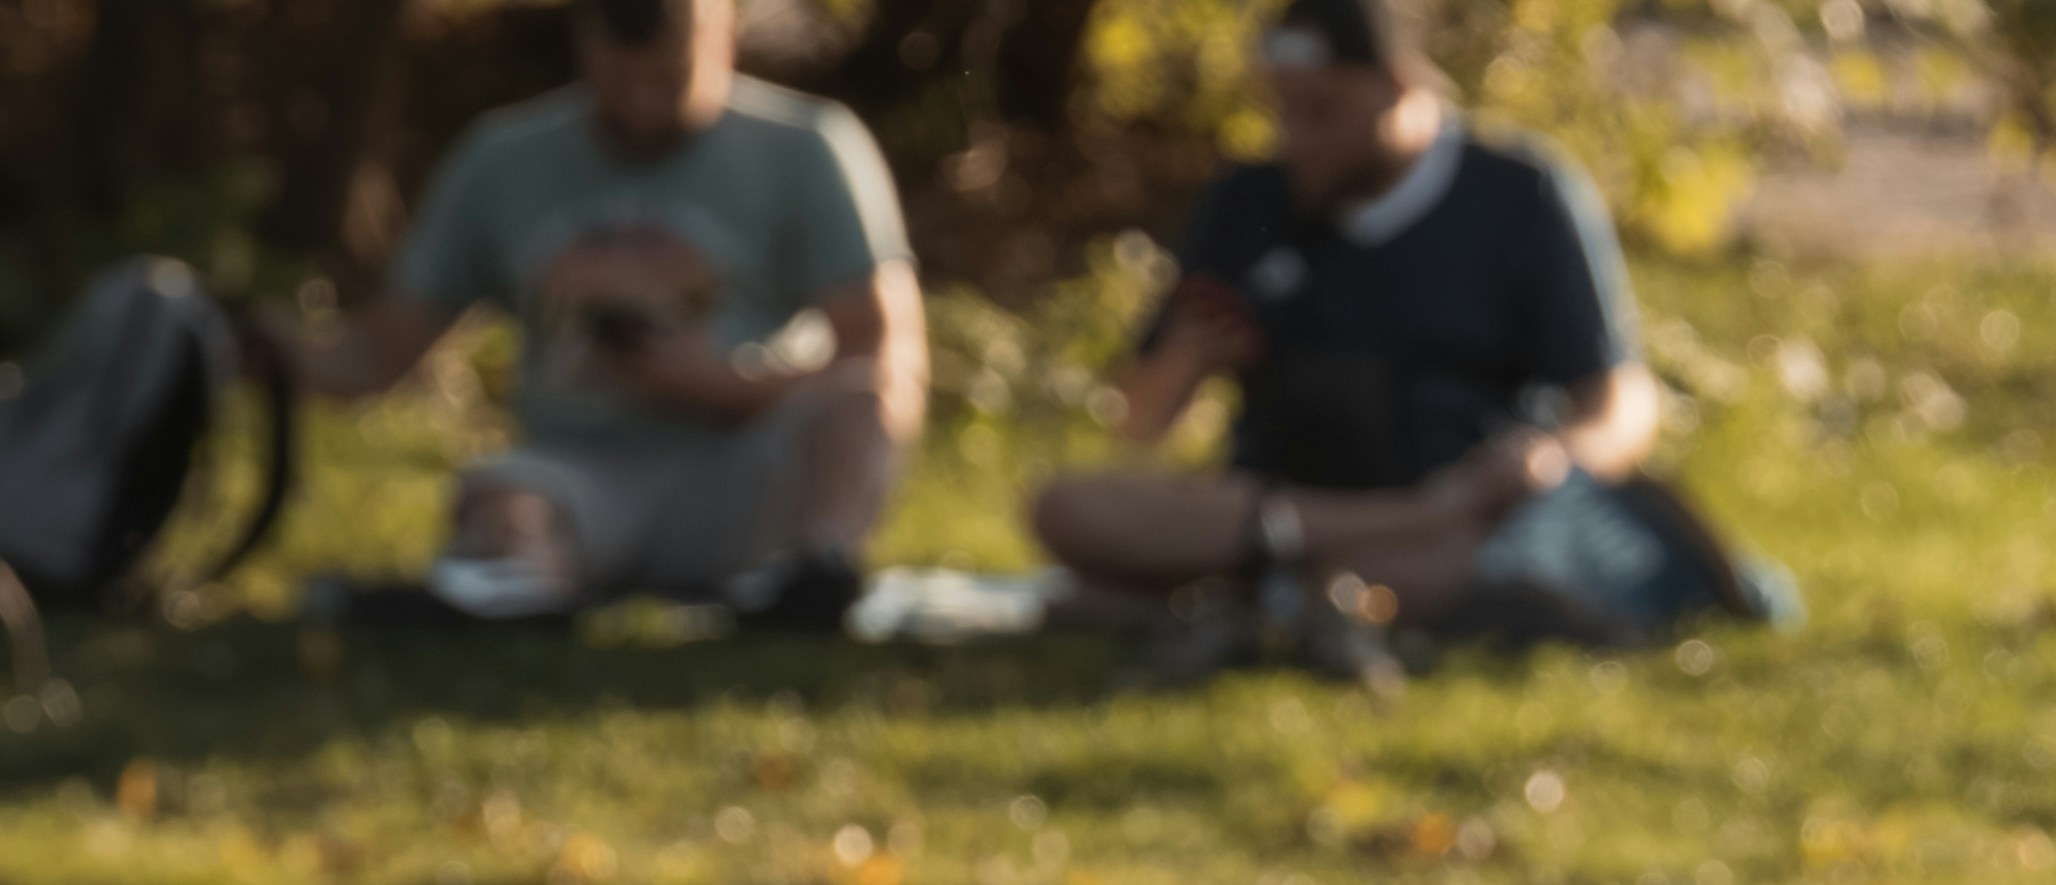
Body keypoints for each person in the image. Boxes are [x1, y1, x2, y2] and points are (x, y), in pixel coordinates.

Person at [272, 0, 921, 634]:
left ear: (722, 30)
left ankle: (816, 577)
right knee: (508, 501)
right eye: (620, 77)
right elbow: (383, 349)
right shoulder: (502, 159)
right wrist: (256, 349)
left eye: (667, 76)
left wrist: (716, 382)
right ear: (583, 42)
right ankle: (520, 587)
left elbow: (886, 360)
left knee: (857, 402)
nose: (641, 100)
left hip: (741, 464)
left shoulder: (806, 146)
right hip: (580, 471)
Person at [1022, 0, 1660, 627]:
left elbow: (1621, 405)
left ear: (1401, 86)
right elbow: (1138, 421)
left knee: (1482, 552)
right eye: (1283, 109)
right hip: (1284, 517)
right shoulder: (1248, 201)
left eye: (1324, 110)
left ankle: (1237, 602)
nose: (1296, 137)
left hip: (1467, 511)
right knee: (1065, 509)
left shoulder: (1519, 193)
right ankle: (1317, 592)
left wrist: (1550, 457)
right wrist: (1188, 356)